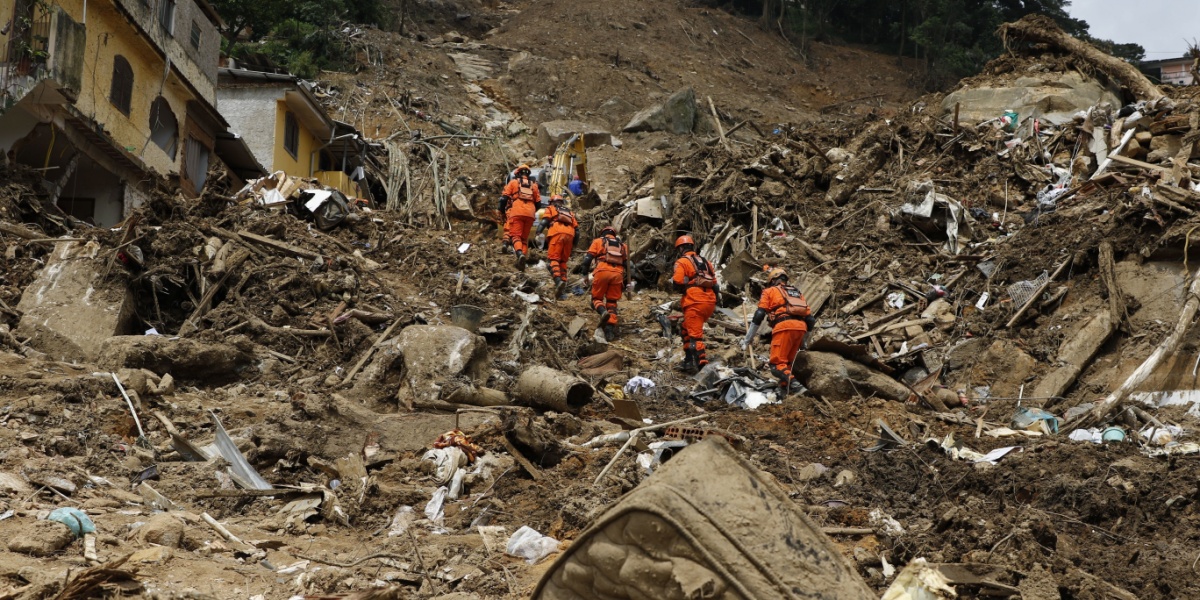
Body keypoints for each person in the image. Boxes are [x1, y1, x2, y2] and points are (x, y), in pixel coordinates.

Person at [741, 267, 814, 395]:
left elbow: (759, 314)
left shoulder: (769, 291)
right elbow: (810, 320)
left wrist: (747, 339)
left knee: (776, 366)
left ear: (772, 281)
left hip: (784, 327)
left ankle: (798, 387)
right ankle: (784, 390)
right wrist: (804, 343)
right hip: (801, 328)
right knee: (787, 364)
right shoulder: (796, 292)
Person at [671, 235, 719, 374]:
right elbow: (715, 284)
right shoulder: (706, 262)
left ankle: (702, 369)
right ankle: (688, 360)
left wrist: (683, 288)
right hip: (709, 301)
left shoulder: (682, 262)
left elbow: (677, 281)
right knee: (685, 327)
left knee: (695, 336)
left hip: (694, 301)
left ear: (680, 249)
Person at [581, 226, 630, 341]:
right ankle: (609, 330)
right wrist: (629, 282)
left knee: (596, 299)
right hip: (618, 273)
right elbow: (629, 266)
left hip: (602, 270)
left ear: (603, 234)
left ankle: (603, 312)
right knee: (612, 301)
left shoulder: (598, 241)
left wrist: (584, 275)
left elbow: (587, 259)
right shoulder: (623, 246)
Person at [536, 195, 579, 299]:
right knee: (563, 262)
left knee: (553, 260)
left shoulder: (551, 209)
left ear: (551, 202)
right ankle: (562, 286)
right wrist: (574, 245)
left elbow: (545, 221)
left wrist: (538, 233)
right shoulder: (569, 212)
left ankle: (558, 281)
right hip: (570, 235)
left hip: (557, 233)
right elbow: (577, 231)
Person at [499, 164, 540, 271]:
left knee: (516, 236)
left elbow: (503, 199)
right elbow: (539, 203)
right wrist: (531, 211)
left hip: (517, 211)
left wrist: (501, 211)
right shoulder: (534, 185)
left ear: (517, 174)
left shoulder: (513, 182)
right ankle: (522, 261)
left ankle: (519, 254)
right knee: (524, 239)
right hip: (530, 212)